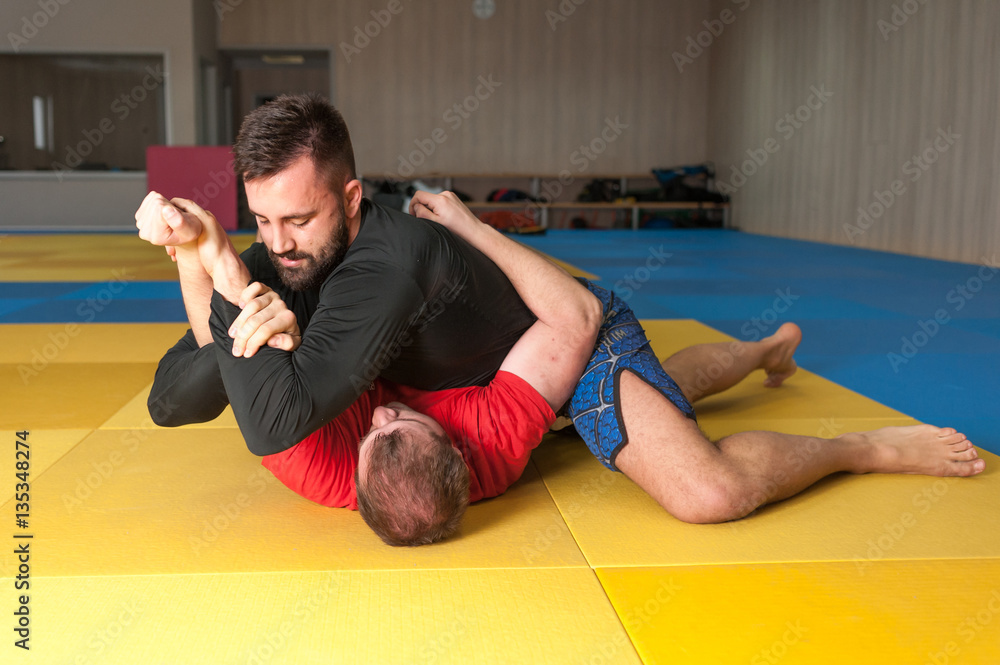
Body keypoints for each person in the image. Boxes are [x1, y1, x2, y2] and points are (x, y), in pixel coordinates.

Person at [235, 192, 986, 545]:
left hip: (566, 327)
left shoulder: (349, 436)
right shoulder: (455, 439)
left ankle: (866, 447)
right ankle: (765, 353)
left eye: (380, 420)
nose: (375, 411)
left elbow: (577, 319)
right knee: (645, 402)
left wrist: (470, 225)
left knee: (705, 490)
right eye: (386, 424)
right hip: (528, 383)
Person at [136, 94, 536, 455]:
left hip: (570, 347)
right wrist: (192, 250)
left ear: (351, 199)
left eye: (299, 220)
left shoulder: (387, 268)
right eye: (262, 220)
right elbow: (169, 402)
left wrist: (222, 262)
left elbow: (271, 430)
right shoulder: (295, 255)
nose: (277, 243)